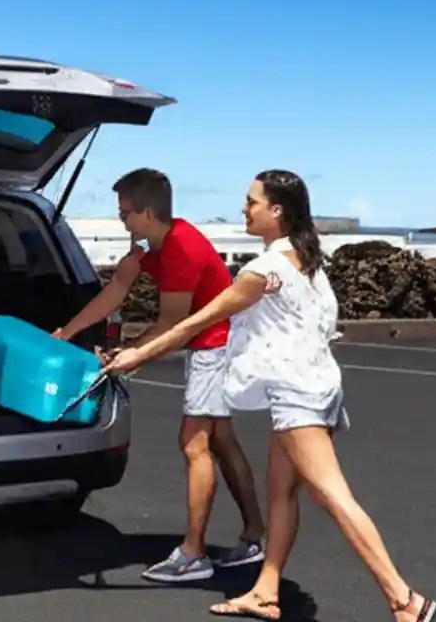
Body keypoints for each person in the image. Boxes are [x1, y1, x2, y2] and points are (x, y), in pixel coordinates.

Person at [103, 169, 436, 621]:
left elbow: (194, 322)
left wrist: (134, 356)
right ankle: (265, 591)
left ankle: (405, 601)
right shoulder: (304, 258)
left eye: (252, 202)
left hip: (298, 395)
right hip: (315, 386)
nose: (244, 209)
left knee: (332, 496)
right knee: (280, 494)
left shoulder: (263, 271)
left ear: (276, 211)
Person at [53, 167, 267, 583]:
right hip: (215, 345)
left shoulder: (181, 250)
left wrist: (132, 353)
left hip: (216, 348)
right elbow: (116, 290)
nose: (122, 221)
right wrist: (68, 331)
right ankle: (254, 536)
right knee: (221, 441)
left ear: (148, 212)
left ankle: (193, 554)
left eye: (126, 213)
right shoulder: (155, 246)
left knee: (194, 443)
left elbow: (172, 323)